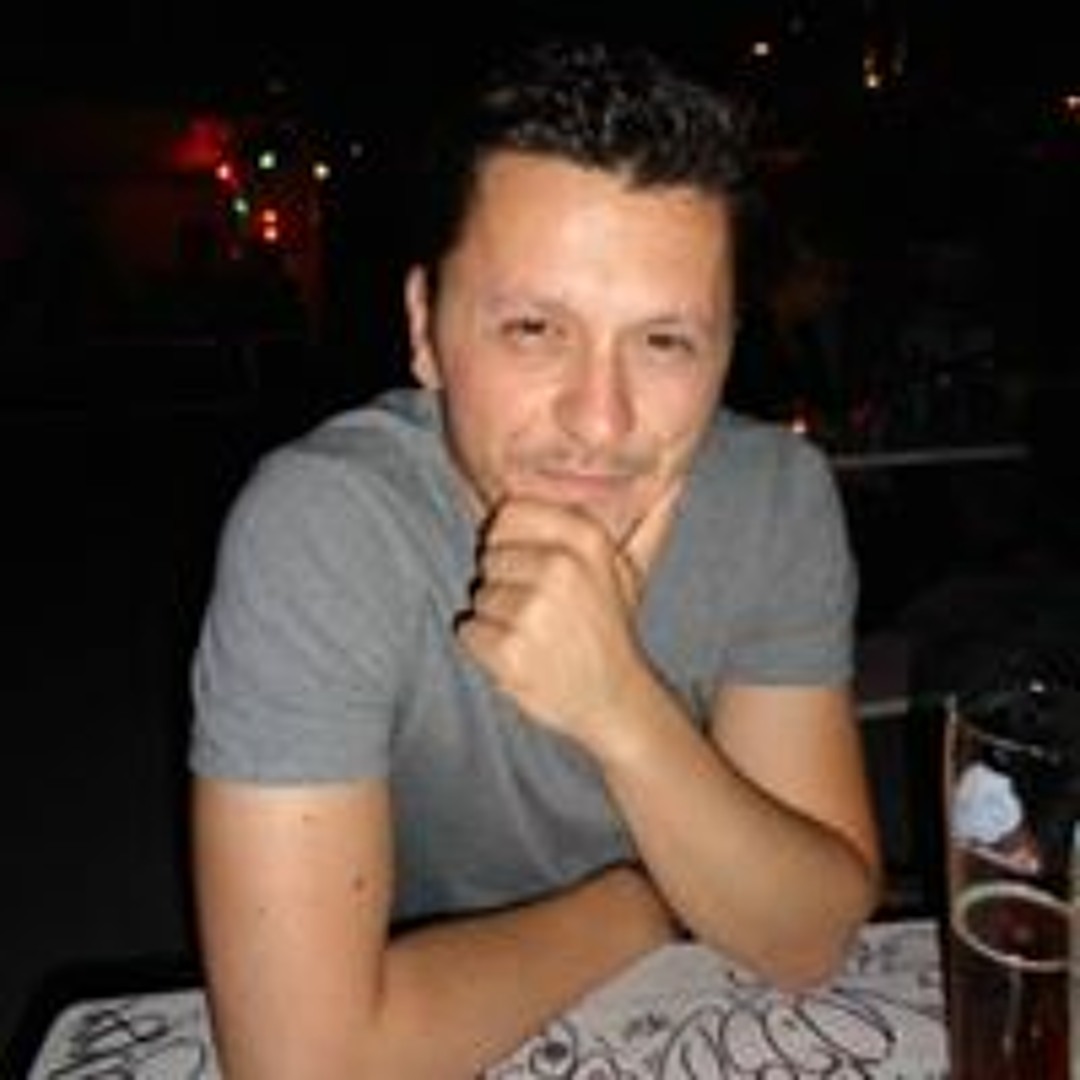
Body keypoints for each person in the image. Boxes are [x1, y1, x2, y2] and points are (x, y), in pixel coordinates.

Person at [188, 37, 882, 1078]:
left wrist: (619, 707)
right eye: (531, 328)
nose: (600, 421)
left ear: (728, 350)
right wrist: (634, 906)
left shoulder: (774, 497)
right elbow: (303, 1062)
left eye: (664, 342)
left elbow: (811, 936)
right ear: (424, 329)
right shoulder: (323, 529)